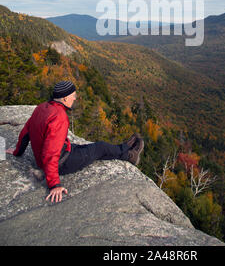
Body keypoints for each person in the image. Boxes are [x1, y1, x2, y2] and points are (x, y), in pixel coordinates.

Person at [7, 80, 144, 203]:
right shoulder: (59, 116)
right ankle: (129, 155)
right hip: (62, 162)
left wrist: (18, 151)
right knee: (100, 147)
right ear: (65, 98)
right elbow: (51, 152)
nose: (75, 97)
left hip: (60, 154)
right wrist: (54, 184)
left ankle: (125, 147)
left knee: (90, 149)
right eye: (73, 95)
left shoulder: (42, 107)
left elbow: (26, 132)